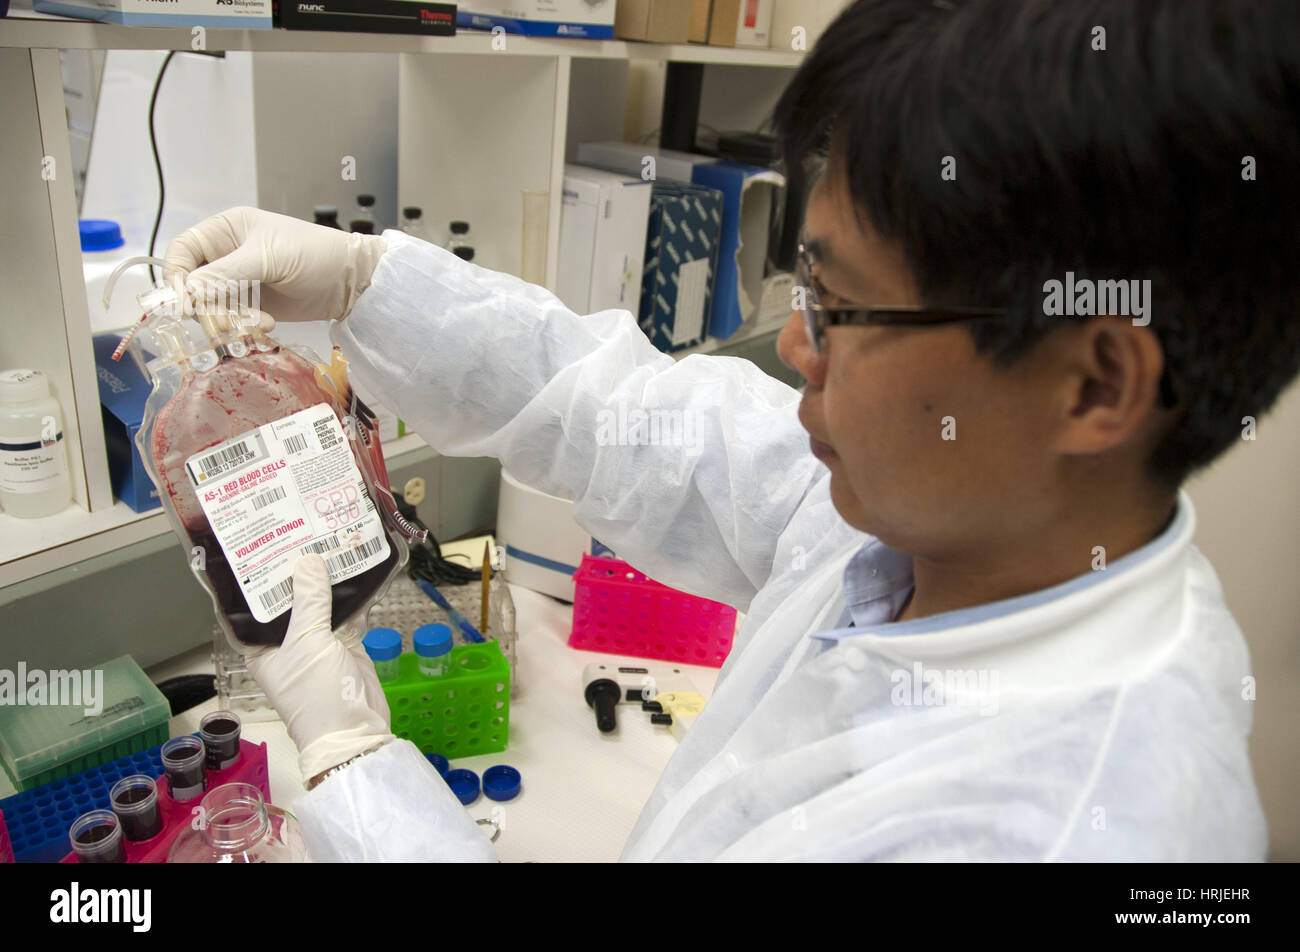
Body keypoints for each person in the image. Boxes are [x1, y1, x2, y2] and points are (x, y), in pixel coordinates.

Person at [166, 0, 1298, 861]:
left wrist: (359, 769)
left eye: (842, 305)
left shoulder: (1054, 828)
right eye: (803, 283)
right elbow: (643, 425)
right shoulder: (945, 525)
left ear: (1093, 385)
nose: (797, 347)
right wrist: (368, 281)